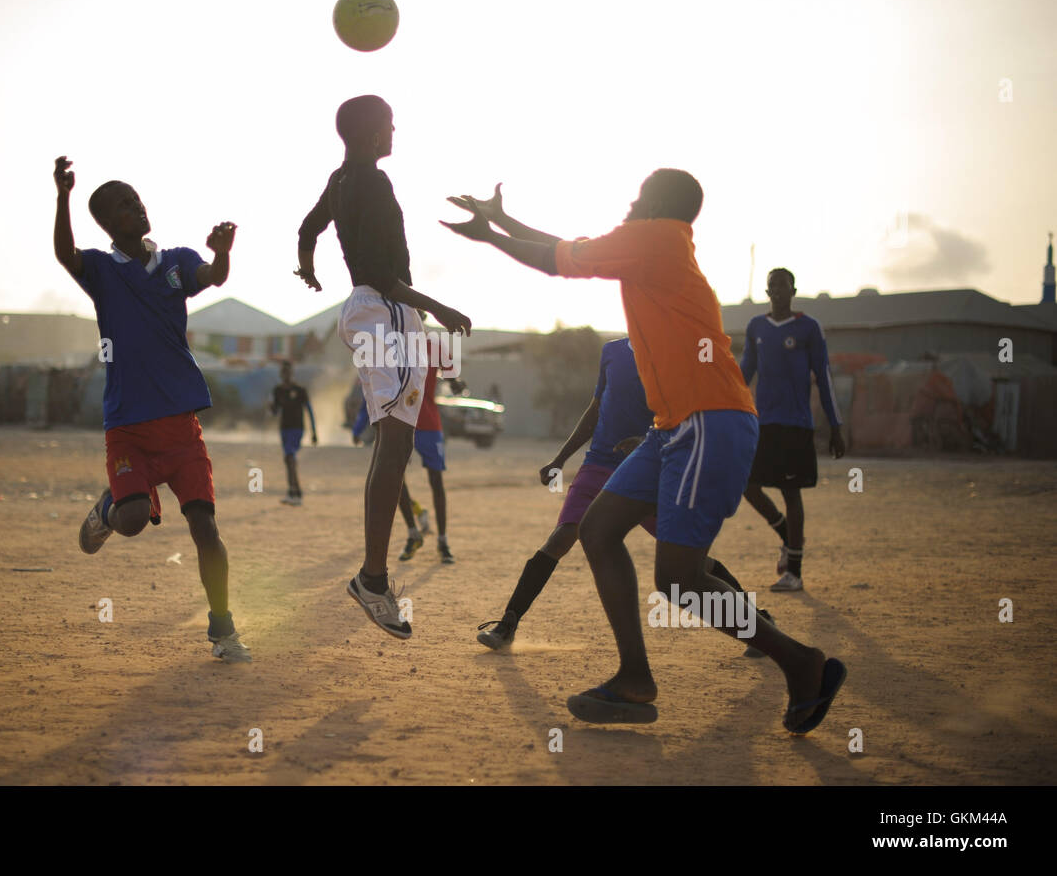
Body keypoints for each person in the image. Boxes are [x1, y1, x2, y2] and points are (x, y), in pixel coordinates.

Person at [443, 171, 845, 734]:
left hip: (710, 420)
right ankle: (634, 678)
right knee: (599, 529)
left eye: (636, 196)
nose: (629, 204)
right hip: (672, 428)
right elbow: (573, 249)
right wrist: (502, 221)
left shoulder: (657, 239)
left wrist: (492, 236)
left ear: (655, 204)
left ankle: (799, 662)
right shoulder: (655, 245)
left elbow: (560, 260)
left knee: (679, 580)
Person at [53, 155, 251, 663]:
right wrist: (63, 196)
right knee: (135, 518)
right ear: (107, 223)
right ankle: (110, 508)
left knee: (206, 529)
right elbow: (65, 253)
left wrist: (222, 254)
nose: (136, 208)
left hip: (182, 428)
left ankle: (223, 628)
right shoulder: (100, 270)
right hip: (129, 430)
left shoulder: (176, 261)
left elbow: (214, 276)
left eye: (137, 199)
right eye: (123, 205)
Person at [294, 94, 471, 639]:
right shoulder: (371, 182)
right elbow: (374, 267)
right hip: (385, 311)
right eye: (390, 125)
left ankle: (374, 577)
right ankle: (372, 579)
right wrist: (436, 307)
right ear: (373, 134)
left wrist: (309, 271)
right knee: (394, 446)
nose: (395, 132)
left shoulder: (341, 179)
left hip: (380, 313)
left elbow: (307, 229)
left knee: (392, 445)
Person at [476, 337, 770, 657]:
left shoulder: (674, 349)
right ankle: (507, 625)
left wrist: (649, 440)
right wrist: (560, 459)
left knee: (689, 560)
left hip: (648, 467)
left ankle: (757, 624)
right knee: (560, 538)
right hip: (599, 462)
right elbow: (597, 406)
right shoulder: (612, 351)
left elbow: (687, 410)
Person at [740, 268, 845, 591]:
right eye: (772, 287)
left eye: (783, 287)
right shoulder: (757, 327)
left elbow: (823, 377)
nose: (777, 292)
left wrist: (835, 424)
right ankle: (787, 535)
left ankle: (794, 573)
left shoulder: (808, 328)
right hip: (764, 423)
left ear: (793, 290)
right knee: (748, 485)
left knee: (790, 492)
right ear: (767, 292)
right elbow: (744, 373)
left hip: (796, 425)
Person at [397, 333, 453, 563]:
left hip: (429, 423)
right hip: (401, 421)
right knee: (395, 478)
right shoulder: (393, 344)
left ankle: (443, 540)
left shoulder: (434, 345)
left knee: (436, 482)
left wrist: (456, 382)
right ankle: (413, 533)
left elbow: (452, 373)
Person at [270, 360, 317, 505]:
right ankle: (294, 492)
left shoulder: (300, 390)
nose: (285, 375)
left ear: (292, 373)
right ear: (280, 374)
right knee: (288, 460)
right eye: (283, 372)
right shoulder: (277, 390)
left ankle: (295, 492)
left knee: (290, 458)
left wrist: (314, 432)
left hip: (297, 429)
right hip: (284, 429)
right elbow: (275, 411)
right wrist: (270, 407)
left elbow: (309, 410)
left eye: (288, 371)